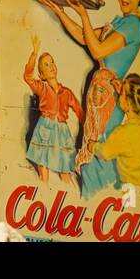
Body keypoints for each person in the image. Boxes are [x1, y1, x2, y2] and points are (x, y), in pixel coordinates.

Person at [39, 0, 140, 197]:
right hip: (100, 93)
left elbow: (97, 51)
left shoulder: (134, 26)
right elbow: (83, 36)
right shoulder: (120, 21)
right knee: (90, 148)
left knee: (98, 154)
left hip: (109, 98)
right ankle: (91, 198)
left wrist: (84, 14)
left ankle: (95, 199)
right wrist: (60, 12)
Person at [22, 34, 83, 189]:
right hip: (45, 129)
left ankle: (68, 199)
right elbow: (27, 76)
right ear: (41, 75)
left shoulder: (67, 92)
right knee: (43, 169)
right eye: (46, 65)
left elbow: (80, 112)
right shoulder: (42, 88)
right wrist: (35, 53)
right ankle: (44, 196)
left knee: (65, 170)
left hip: (62, 132)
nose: (51, 66)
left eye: (52, 62)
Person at [94, 73, 140, 204]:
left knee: (129, 216)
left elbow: (104, 152)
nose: (120, 93)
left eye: (122, 93)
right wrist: (122, 92)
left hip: (131, 189)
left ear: (128, 103)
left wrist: (92, 146)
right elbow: (133, 112)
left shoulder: (121, 134)